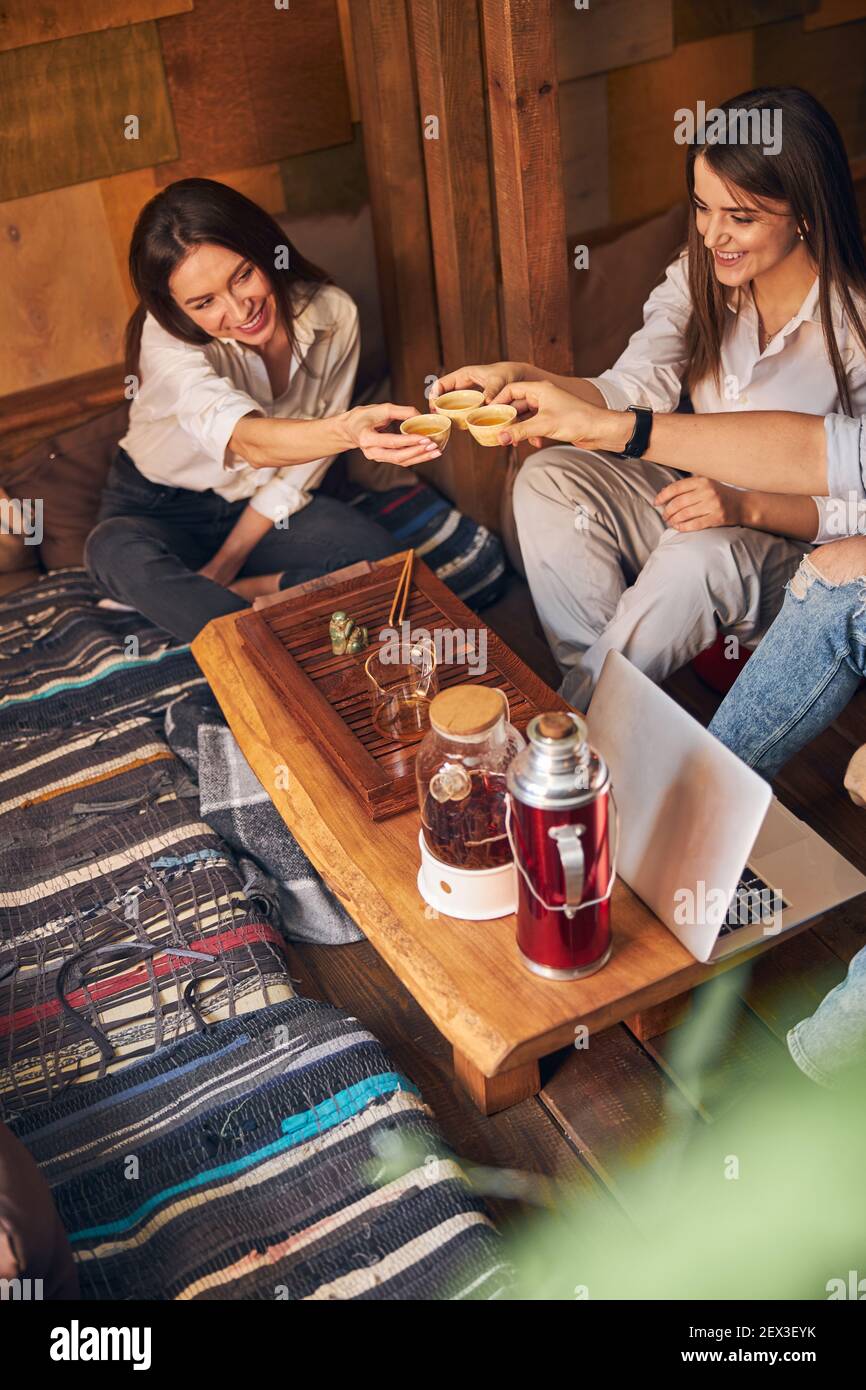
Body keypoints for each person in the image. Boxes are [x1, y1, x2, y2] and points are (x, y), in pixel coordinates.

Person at [433, 87, 866, 710]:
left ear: (803, 213)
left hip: (801, 561)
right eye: (701, 206)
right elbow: (631, 389)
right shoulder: (700, 277)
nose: (713, 235)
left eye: (739, 217)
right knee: (548, 476)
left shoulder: (851, 330)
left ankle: (571, 721)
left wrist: (751, 505)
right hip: (695, 502)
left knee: (700, 554)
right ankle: (596, 709)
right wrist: (534, 382)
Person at [85, 179, 439, 643]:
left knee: (381, 558)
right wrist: (349, 430)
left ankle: (233, 593)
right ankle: (257, 645)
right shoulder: (164, 339)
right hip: (161, 508)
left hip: (262, 512)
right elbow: (248, 440)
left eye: (243, 275)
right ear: (176, 310)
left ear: (265, 248)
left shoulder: (333, 316)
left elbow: (301, 469)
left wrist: (227, 563)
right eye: (204, 302)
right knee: (111, 552)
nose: (240, 309)